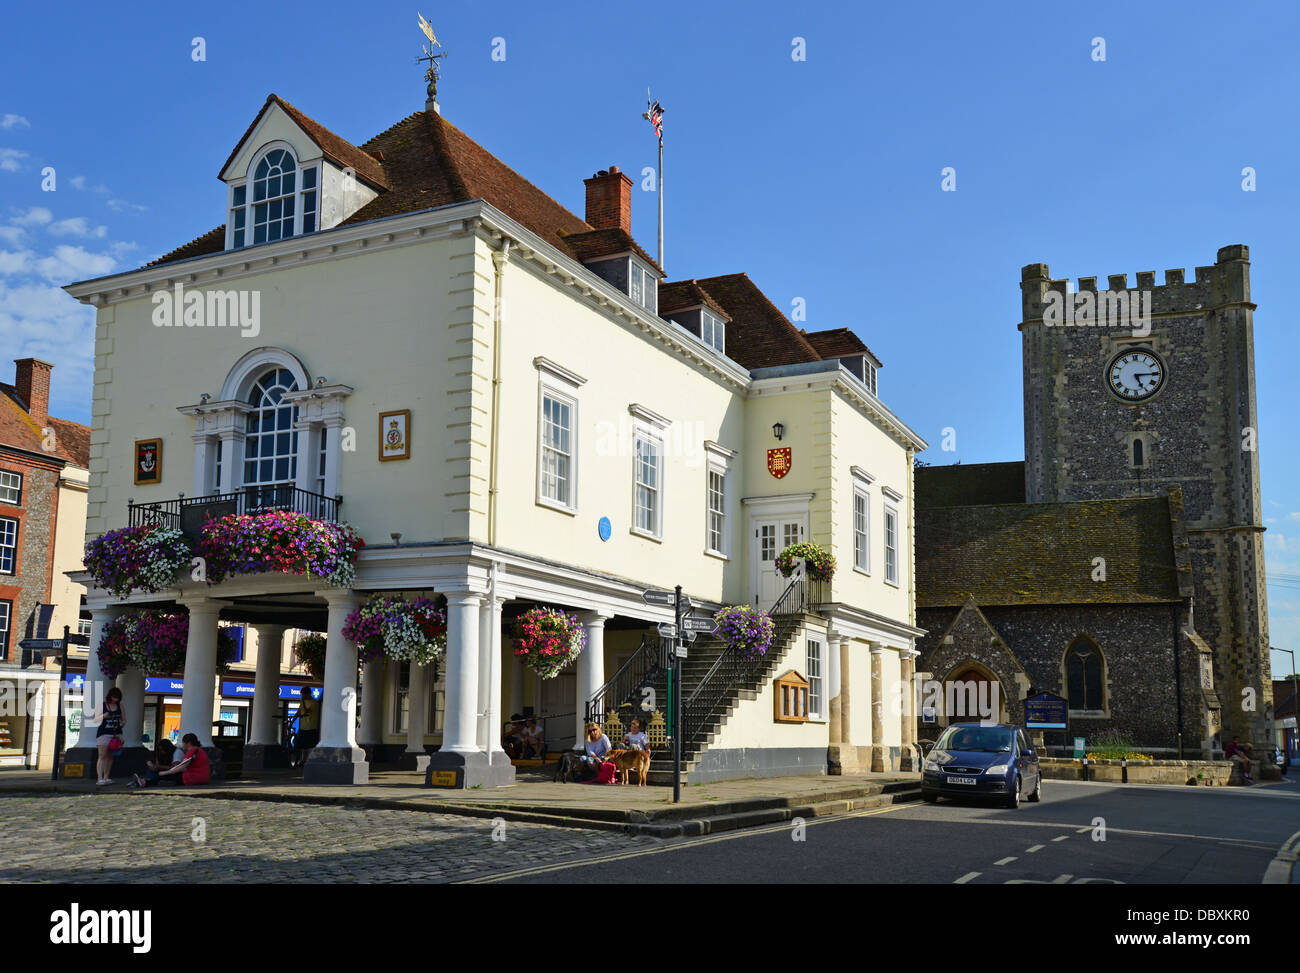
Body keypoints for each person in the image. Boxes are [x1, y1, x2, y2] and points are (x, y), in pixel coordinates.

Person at [135, 733, 210, 787]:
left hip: (193, 778)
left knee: (165, 776)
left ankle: (145, 782)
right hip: (203, 778)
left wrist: (164, 773)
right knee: (163, 775)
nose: (182, 744)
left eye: (183, 742)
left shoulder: (192, 751)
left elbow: (181, 766)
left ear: (188, 743)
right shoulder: (200, 751)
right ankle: (146, 781)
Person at [91, 686, 126, 786]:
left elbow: (124, 719)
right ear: (110, 696)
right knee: (102, 755)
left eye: (117, 698)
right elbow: (94, 719)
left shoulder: (120, 706)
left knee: (110, 757)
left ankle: (106, 777)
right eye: (114, 697)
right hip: (104, 733)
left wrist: (122, 724)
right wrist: (104, 716)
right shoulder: (102, 705)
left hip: (116, 734)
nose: (115, 700)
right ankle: (99, 778)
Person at [295, 690, 320, 768]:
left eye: (303, 695)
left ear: (308, 694)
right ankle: (303, 760)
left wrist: (303, 703)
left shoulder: (314, 702)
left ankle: (309, 760)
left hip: (311, 727)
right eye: (302, 695)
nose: (302, 697)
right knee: (303, 745)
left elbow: (306, 711)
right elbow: (299, 712)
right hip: (303, 726)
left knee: (310, 744)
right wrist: (292, 721)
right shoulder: (303, 702)